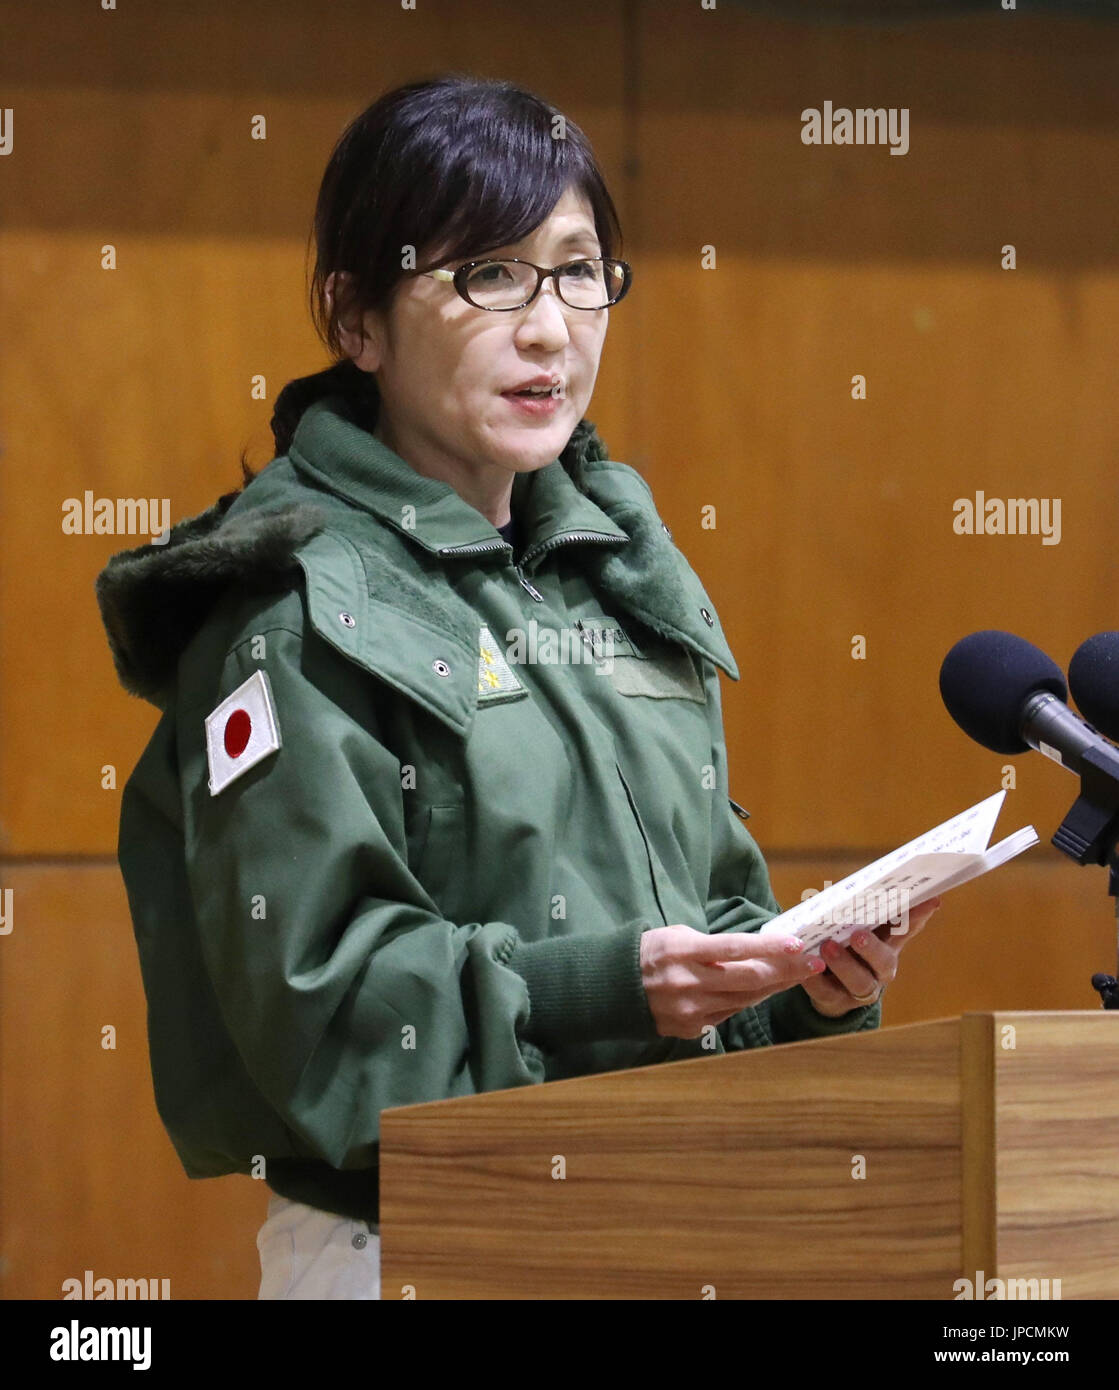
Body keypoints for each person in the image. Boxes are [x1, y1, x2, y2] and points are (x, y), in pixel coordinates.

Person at [95, 73, 940, 1301]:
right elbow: (321, 1012)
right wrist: (618, 985)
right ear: (357, 317)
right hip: (422, 1249)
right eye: (487, 273)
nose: (550, 327)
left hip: (674, 1227)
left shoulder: (619, 583)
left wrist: (806, 990)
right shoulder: (286, 612)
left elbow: (709, 930)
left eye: (579, 269)